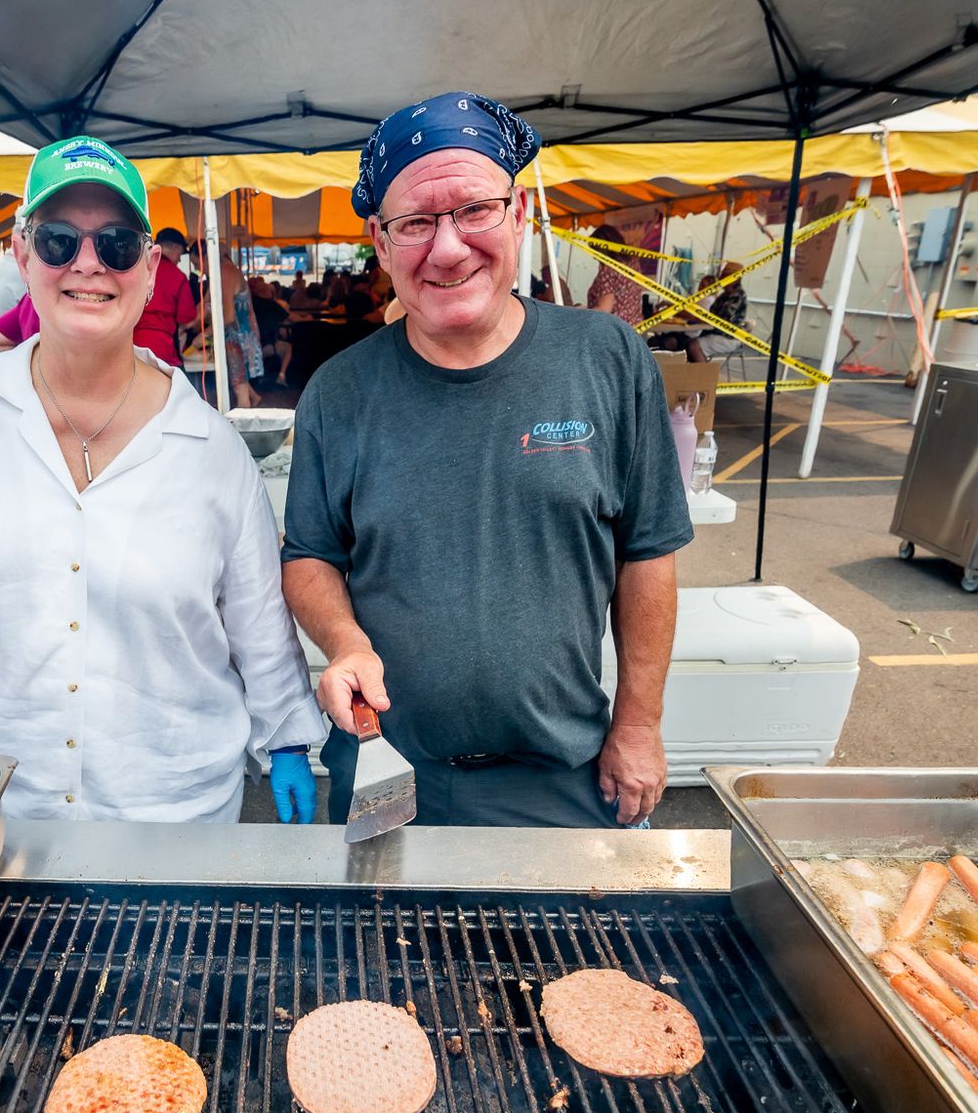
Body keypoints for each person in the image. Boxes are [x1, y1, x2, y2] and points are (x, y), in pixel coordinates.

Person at [0, 134, 323, 825]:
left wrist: (289, 740)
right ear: (22, 252)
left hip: (168, 813)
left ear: (150, 267)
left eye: (118, 244)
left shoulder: (210, 448)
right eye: (60, 240)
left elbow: (258, 622)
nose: (88, 263)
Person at [282, 92, 692, 830]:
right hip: (383, 766)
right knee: (377, 950)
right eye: (415, 223)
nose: (447, 248)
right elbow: (310, 554)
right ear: (379, 241)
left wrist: (639, 723)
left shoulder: (608, 359)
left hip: (562, 779)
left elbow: (649, 551)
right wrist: (344, 642)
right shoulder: (338, 393)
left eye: (474, 210)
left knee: (571, 954)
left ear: (519, 213)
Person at [190, 239, 263, 408]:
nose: (196, 269)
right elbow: (206, 304)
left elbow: (228, 316)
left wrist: (205, 333)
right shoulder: (219, 271)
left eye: (196, 263)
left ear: (205, 257)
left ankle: (242, 426)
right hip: (236, 335)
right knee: (238, 377)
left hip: (240, 337)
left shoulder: (225, 271)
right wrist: (186, 323)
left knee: (238, 385)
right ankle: (254, 397)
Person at [133, 226, 198, 367]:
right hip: (162, 348)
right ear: (174, 247)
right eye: (180, 254)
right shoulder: (178, 277)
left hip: (131, 344)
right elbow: (186, 317)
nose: (180, 260)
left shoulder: (136, 269)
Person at [586, 225, 646, 328]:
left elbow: (604, 309)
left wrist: (579, 313)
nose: (594, 257)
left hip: (615, 332)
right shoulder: (633, 262)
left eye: (595, 252)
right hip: (636, 328)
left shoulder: (608, 270)